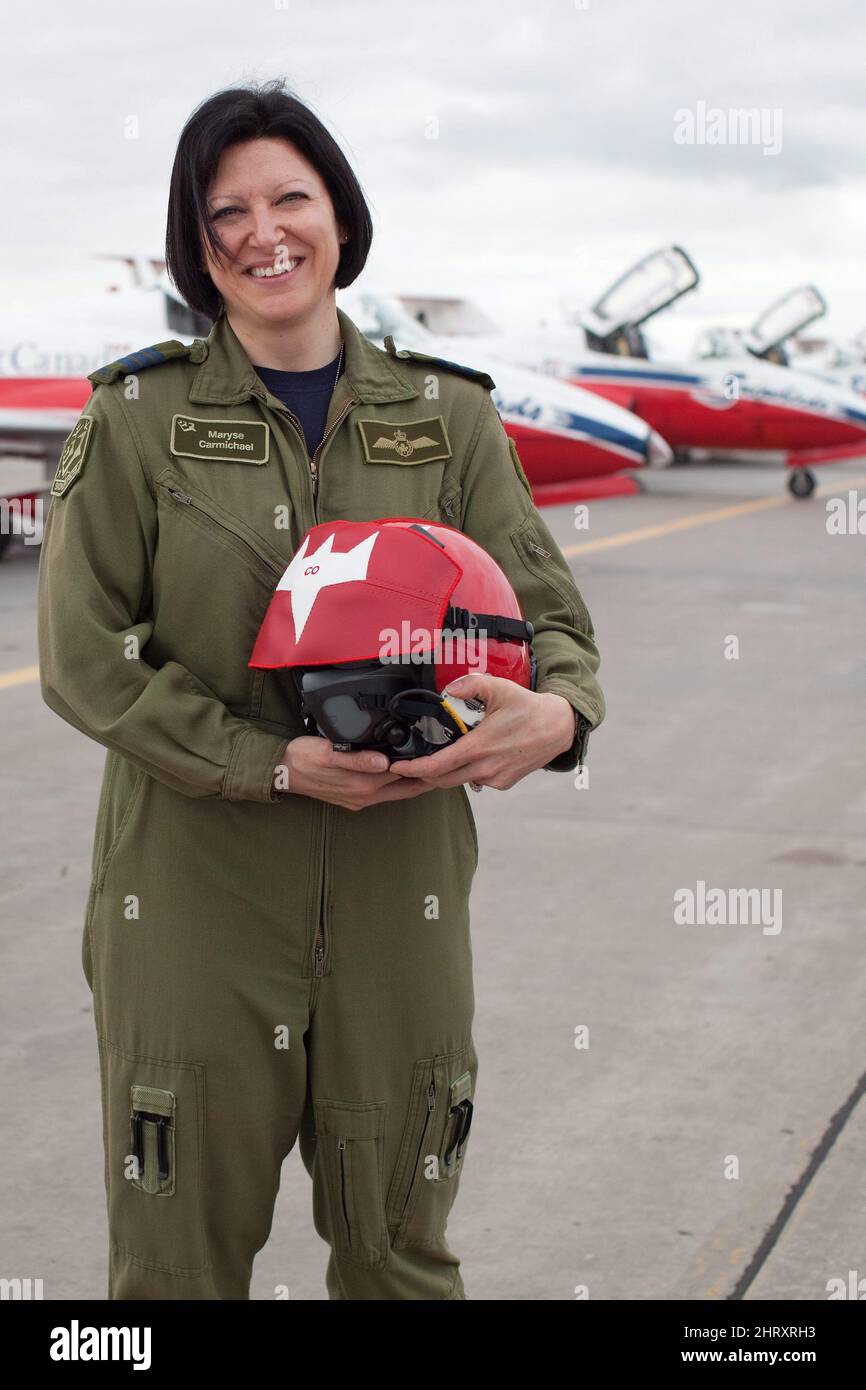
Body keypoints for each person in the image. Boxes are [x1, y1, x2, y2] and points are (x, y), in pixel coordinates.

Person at [36, 79, 605, 1301]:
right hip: (192, 898)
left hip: (400, 895)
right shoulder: (137, 416)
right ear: (197, 244)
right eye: (223, 210)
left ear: (340, 216)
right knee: (172, 1273)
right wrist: (271, 761)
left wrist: (558, 716)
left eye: (289, 196)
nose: (262, 230)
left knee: (402, 1260)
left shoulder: (449, 415)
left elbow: (551, 620)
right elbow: (82, 659)